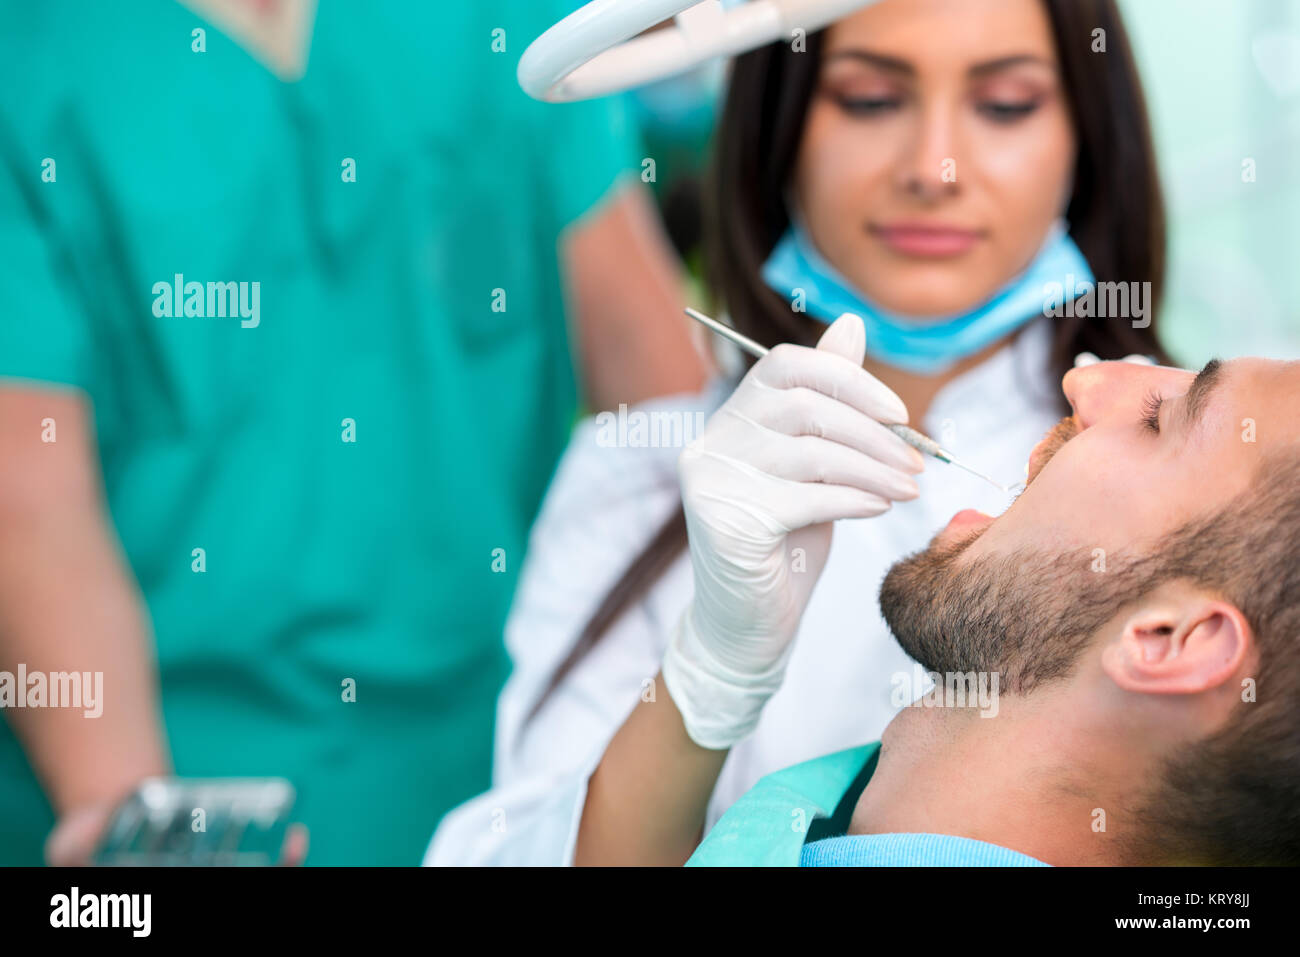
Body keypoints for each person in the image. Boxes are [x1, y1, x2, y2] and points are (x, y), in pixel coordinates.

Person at [428, 0, 1169, 865]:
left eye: (1004, 103)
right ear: (778, 131)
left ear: (1088, 133)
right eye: (868, 99)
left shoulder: (1187, 467)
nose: (934, 169)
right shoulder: (640, 470)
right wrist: (708, 677)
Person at [0, 0, 704, 865]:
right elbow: (26, 500)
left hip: (497, 773)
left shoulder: (507, 27)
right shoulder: (33, 52)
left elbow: (662, 402)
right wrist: (142, 829)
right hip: (179, 780)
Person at [590, 342, 1300, 866]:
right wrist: (714, 671)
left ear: (1172, 640)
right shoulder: (818, 818)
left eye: (1160, 418)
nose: (1085, 379)